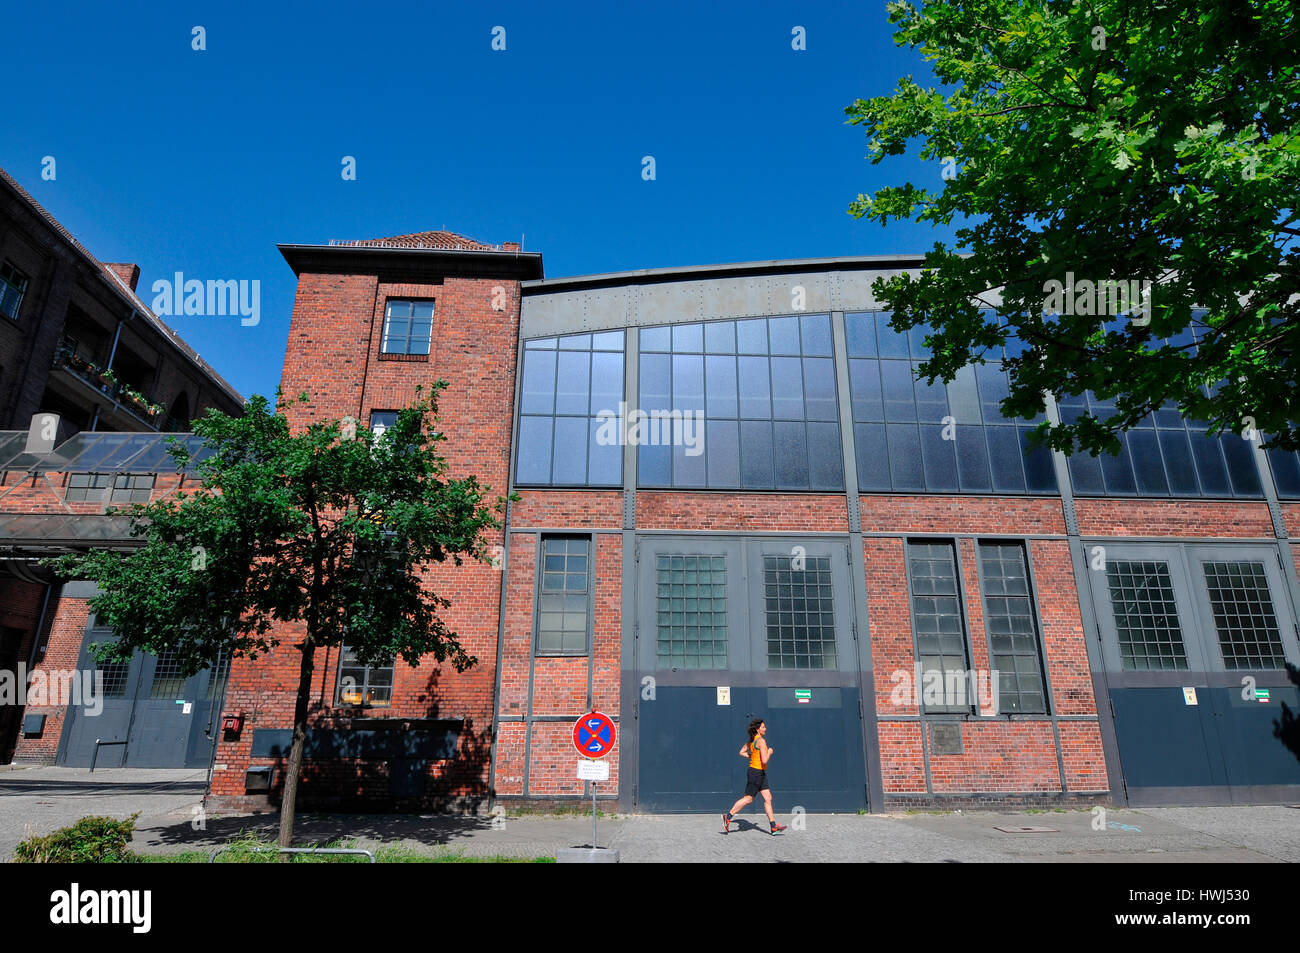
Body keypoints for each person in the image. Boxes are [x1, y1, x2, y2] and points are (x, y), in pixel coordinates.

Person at [723, 717, 787, 835]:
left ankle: (773, 827)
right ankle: (727, 817)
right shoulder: (761, 741)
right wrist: (770, 752)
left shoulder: (751, 742)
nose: (765, 729)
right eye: (763, 727)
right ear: (758, 730)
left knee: (768, 797)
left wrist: (751, 756)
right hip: (756, 773)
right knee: (749, 799)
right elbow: (764, 760)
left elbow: (741, 752)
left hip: (760, 773)